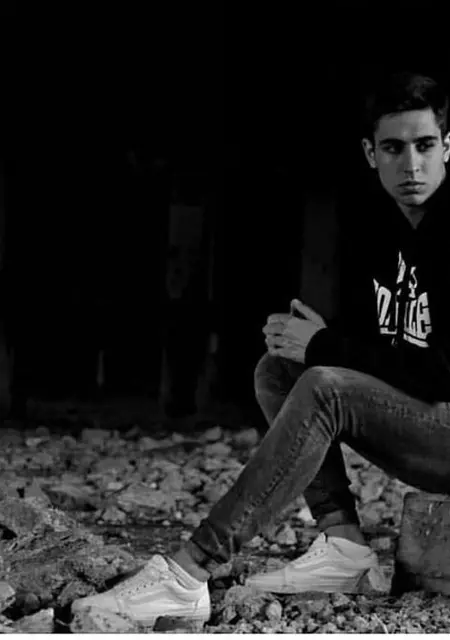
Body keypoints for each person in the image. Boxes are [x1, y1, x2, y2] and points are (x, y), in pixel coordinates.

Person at [72, 70, 450, 630]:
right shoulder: (386, 228)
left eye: (425, 146)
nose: (412, 165)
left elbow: (442, 374)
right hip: (427, 424)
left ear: (449, 147)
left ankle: (189, 573)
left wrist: (325, 346)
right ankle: (344, 545)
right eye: (394, 148)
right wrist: (316, 339)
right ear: (371, 154)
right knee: (280, 370)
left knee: (323, 385)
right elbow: (390, 344)